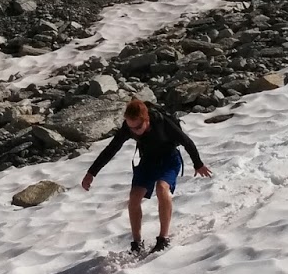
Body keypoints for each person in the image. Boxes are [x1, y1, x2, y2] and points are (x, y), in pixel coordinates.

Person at [81, 98, 211, 254]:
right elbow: (111, 149)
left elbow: (186, 141)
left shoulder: (162, 122)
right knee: (134, 198)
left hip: (169, 160)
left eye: (138, 127)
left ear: (147, 119)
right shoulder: (128, 128)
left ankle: (163, 238)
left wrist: (198, 164)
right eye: (131, 128)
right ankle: (137, 243)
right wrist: (91, 173)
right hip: (147, 162)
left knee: (162, 189)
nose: (134, 131)